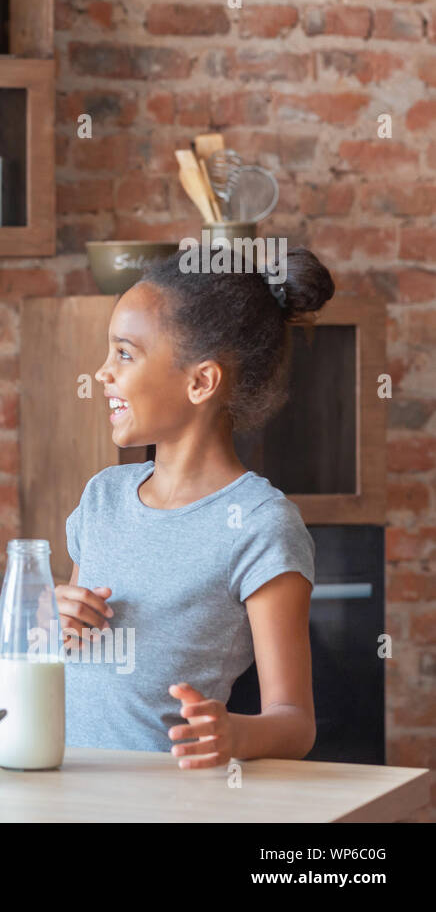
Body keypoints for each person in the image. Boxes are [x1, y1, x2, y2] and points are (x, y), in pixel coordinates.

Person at [58, 246, 333, 767]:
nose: (102, 373)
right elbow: (73, 657)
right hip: (66, 794)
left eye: (124, 354)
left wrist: (238, 736)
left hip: (172, 806)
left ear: (201, 381)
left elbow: (294, 721)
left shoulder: (260, 525)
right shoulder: (103, 496)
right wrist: (57, 623)